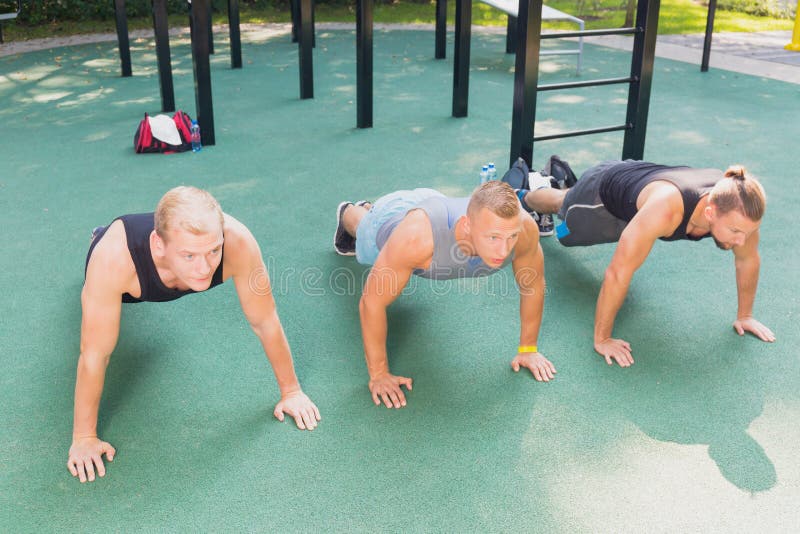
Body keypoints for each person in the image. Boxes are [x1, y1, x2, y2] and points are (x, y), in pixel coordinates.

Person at [69, 186, 320, 483]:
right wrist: (84, 436)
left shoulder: (237, 242)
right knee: (100, 282)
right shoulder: (114, 261)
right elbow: (95, 354)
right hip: (128, 275)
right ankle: (98, 234)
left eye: (213, 251)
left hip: (158, 264)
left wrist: (291, 391)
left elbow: (265, 320)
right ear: (159, 244)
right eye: (189, 255)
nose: (204, 268)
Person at [507, 157, 775, 367]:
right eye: (736, 232)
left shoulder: (740, 211)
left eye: (747, 233)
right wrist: (603, 339)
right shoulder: (667, 210)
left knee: (600, 226)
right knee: (564, 224)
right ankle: (525, 194)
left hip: (637, 194)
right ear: (709, 213)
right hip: (602, 198)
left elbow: (747, 260)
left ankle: (561, 182)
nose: (742, 240)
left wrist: (746, 316)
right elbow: (617, 273)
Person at [333, 181, 555, 410]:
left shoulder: (525, 230)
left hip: (434, 203)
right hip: (392, 219)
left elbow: (533, 285)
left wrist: (528, 349)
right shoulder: (415, 240)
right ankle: (353, 211)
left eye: (511, 237)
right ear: (466, 226)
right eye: (494, 238)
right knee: (362, 230)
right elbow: (371, 303)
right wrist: (379, 374)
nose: (504, 250)